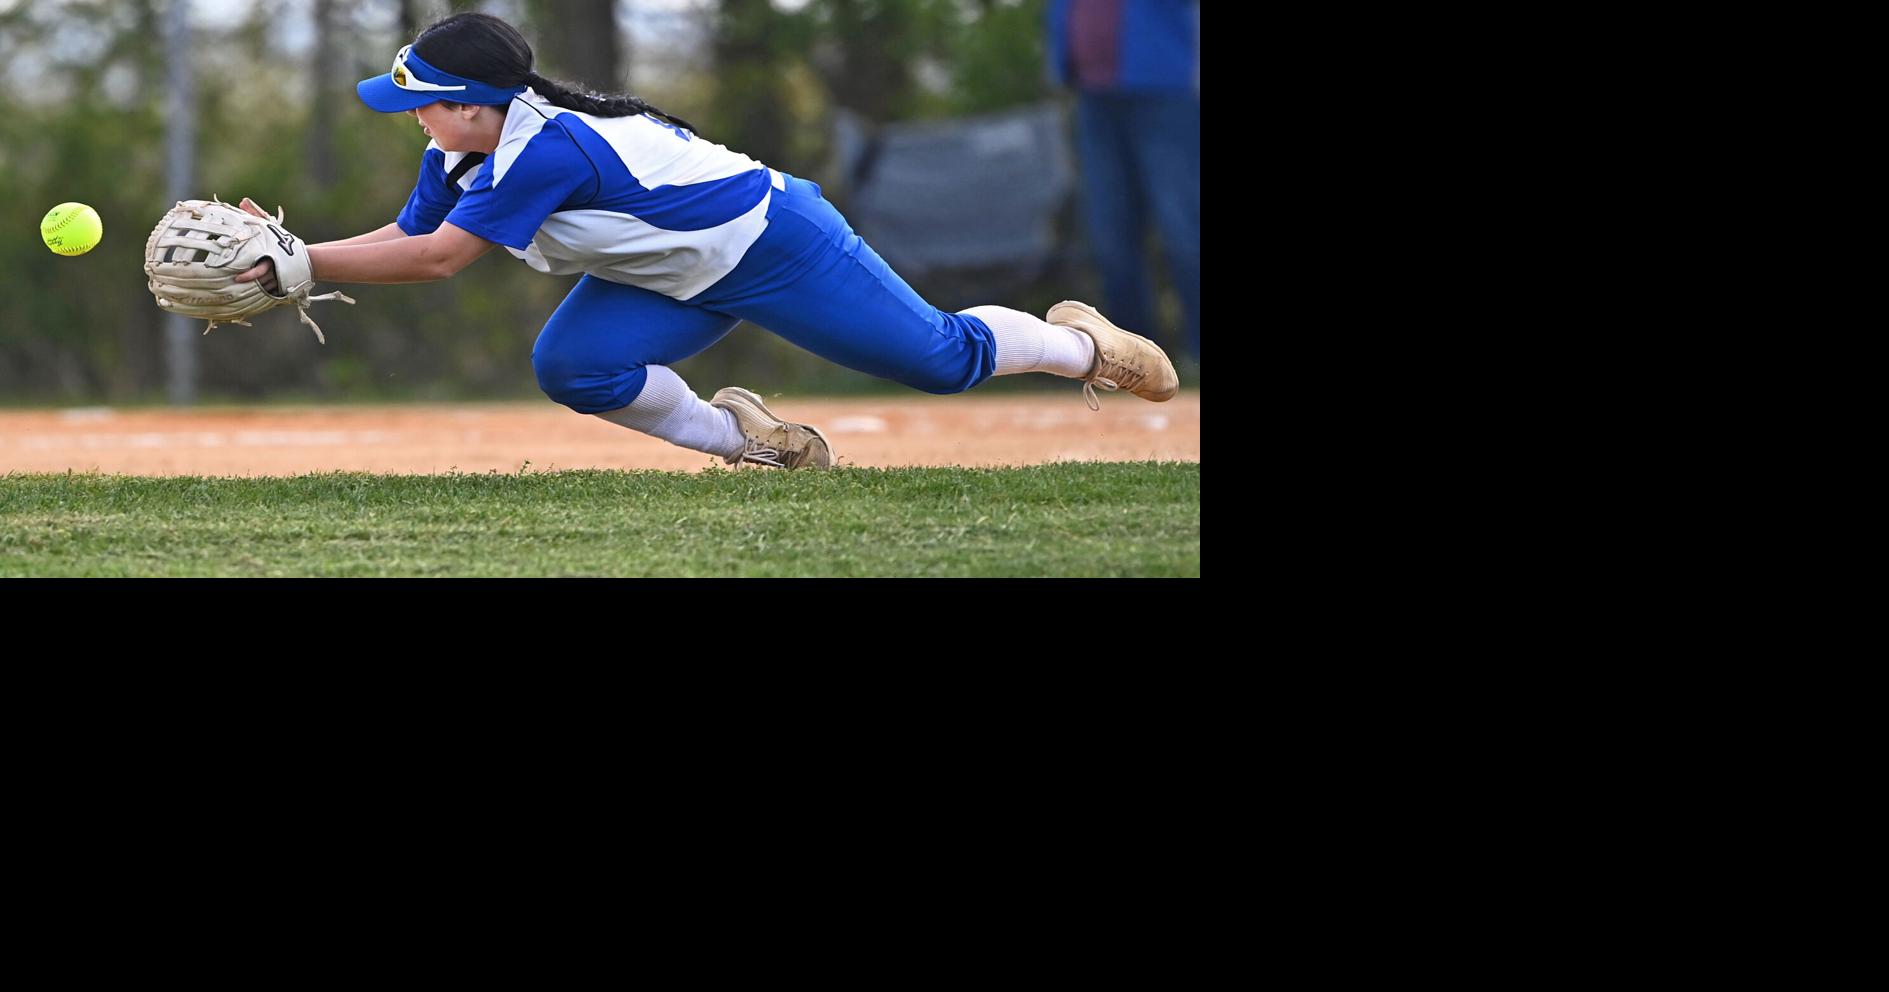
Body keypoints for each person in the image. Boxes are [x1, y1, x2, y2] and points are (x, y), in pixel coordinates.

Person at [236, 12, 1177, 469]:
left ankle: (1083, 343)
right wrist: (294, 247)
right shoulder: (461, 148)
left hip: (775, 245)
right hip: (673, 274)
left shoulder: (543, 149)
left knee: (940, 360)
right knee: (574, 367)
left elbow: (441, 259)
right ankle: (751, 441)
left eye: (423, 102)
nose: (412, 116)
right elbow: (412, 232)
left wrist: (299, 267)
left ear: (477, 105)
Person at [1046, 0, 1200, 364]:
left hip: (1165, 91)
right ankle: (1133, 361)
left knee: (1184, 230)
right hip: (1091, 96)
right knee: (1109, 238)